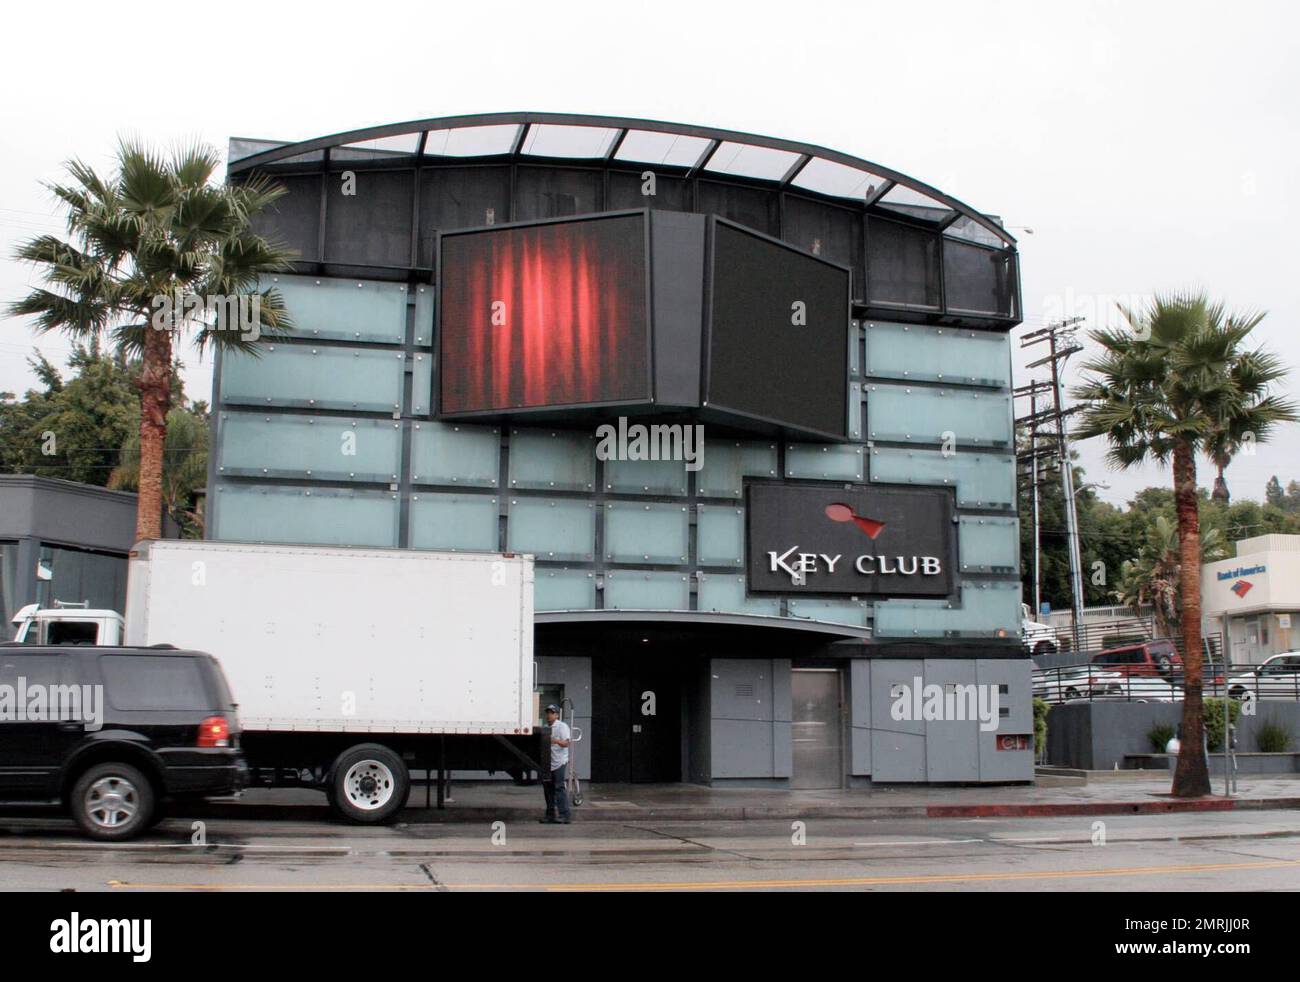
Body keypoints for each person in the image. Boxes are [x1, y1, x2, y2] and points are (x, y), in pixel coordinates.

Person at [540, 705, 572, 824]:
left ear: (557, 715)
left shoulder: (561, 726)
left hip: (559, 761)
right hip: (548, 762)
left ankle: (564, 815)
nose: (549, 715)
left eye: (552, 713)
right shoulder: (545, 727)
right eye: (548, 712)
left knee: (559, 787)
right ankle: (550, 814)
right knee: (548, 789)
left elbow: (566, 743)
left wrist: (555, 741)